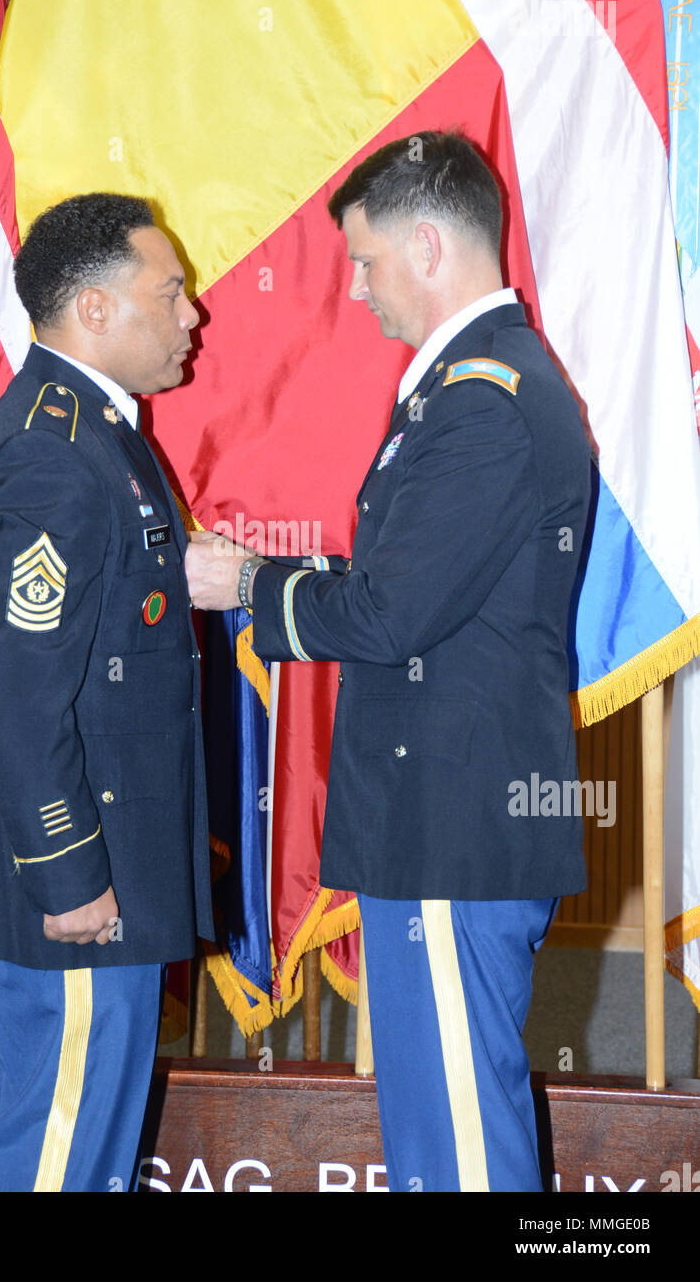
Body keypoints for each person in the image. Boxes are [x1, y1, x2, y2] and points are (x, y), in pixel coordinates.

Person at [185, 131, 592, 1192]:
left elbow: (388, 614)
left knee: (460, 1134)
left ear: (426, 246)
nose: (358, 289)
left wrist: (246, 587)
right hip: (444, 820)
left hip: (452, 828)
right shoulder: (470, 387)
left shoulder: (481, 403)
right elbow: (415, 581)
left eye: (365, 262)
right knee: (434, 1124)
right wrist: (273, 572)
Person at [0, 193, 214, 1192]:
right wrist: (66, 873)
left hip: (111, 865)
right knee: (58, 1154)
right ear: (93, 309)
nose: (193, 314)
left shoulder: (97, 428)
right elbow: (21, 692)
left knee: (84, 1151)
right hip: (80, 882)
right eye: (169, 292)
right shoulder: (53, 452)